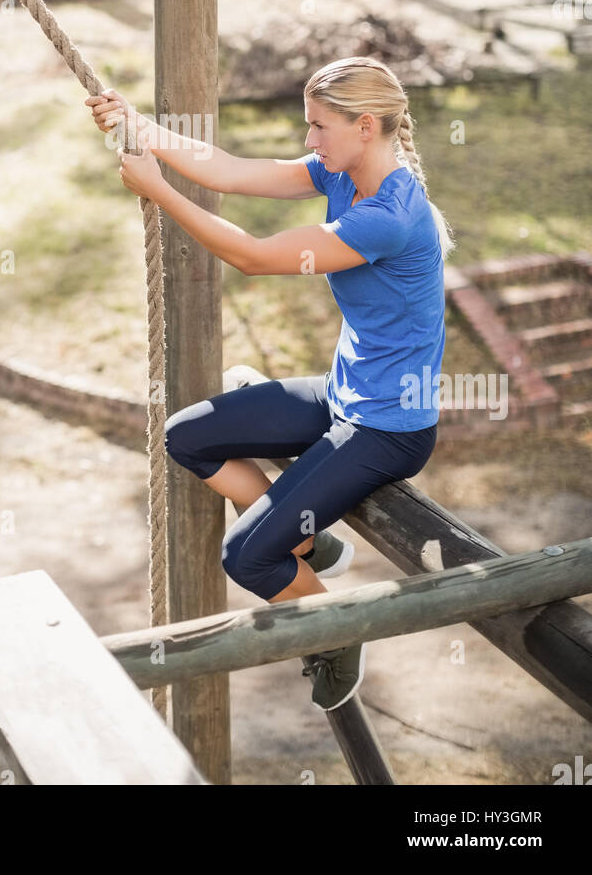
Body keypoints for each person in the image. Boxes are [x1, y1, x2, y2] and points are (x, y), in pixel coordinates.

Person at [84, 56, 453, 711]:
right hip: (344, 395)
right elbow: (229, 169)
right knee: (189, 436)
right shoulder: (341, 174)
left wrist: (160, 191)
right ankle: (309, 539)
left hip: (387, 429)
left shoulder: (389, 218)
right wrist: (139, 126)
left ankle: (340, 632)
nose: (310, 141)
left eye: (319, 127)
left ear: (365, 127)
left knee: (248, 558)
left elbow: (254, 257)